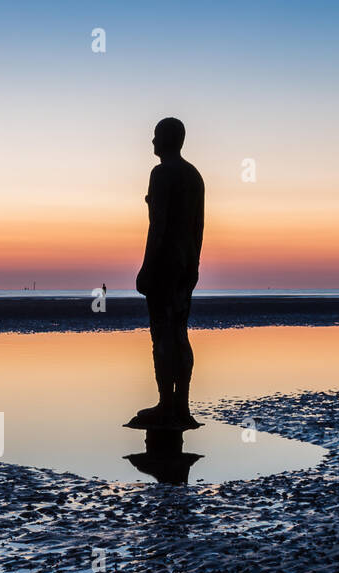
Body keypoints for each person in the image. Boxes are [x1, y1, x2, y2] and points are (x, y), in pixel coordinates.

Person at [135, 117, 204, 428]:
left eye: (155, 137)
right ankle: (182, 404)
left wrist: (146, 268)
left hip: (165, 264)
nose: (151, 142)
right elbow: (199, 227)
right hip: (186, 263)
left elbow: (158, 227)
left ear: (166, 139)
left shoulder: (162, 174)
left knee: (162, 333)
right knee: (180, 332)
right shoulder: (195, 176)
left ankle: (167, 404)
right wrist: (195, 264)